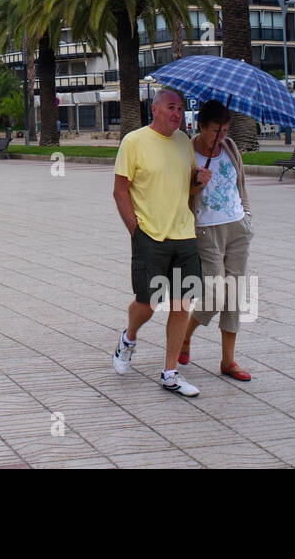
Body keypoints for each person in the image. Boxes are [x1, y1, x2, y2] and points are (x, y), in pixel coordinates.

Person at [111, 88, 211, 398]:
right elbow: (120, 191)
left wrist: (199, 182)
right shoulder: (134, 142)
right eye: (171, 107)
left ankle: (170, 373)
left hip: (184, 236)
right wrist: (136, 232)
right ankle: (128, 338)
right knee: (148, 304)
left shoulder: (184, 143)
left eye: (180, 108)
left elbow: (188, 191)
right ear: (154, 110)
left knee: (182, 305)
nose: (177, 113)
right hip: (150, 237)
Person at [182, 100, 254, 381]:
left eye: (225, 129)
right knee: (214, 294)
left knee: (233, 294)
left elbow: (241, 184)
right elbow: (180, 192)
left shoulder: (230, 147)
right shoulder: (187, 152)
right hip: (206, 230)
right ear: (200, 127)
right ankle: (186, 337)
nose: (220, 136)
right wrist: (196, 183)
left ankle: (228, 360)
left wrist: (246, 216)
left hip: (237, 227)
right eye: (215, 130)